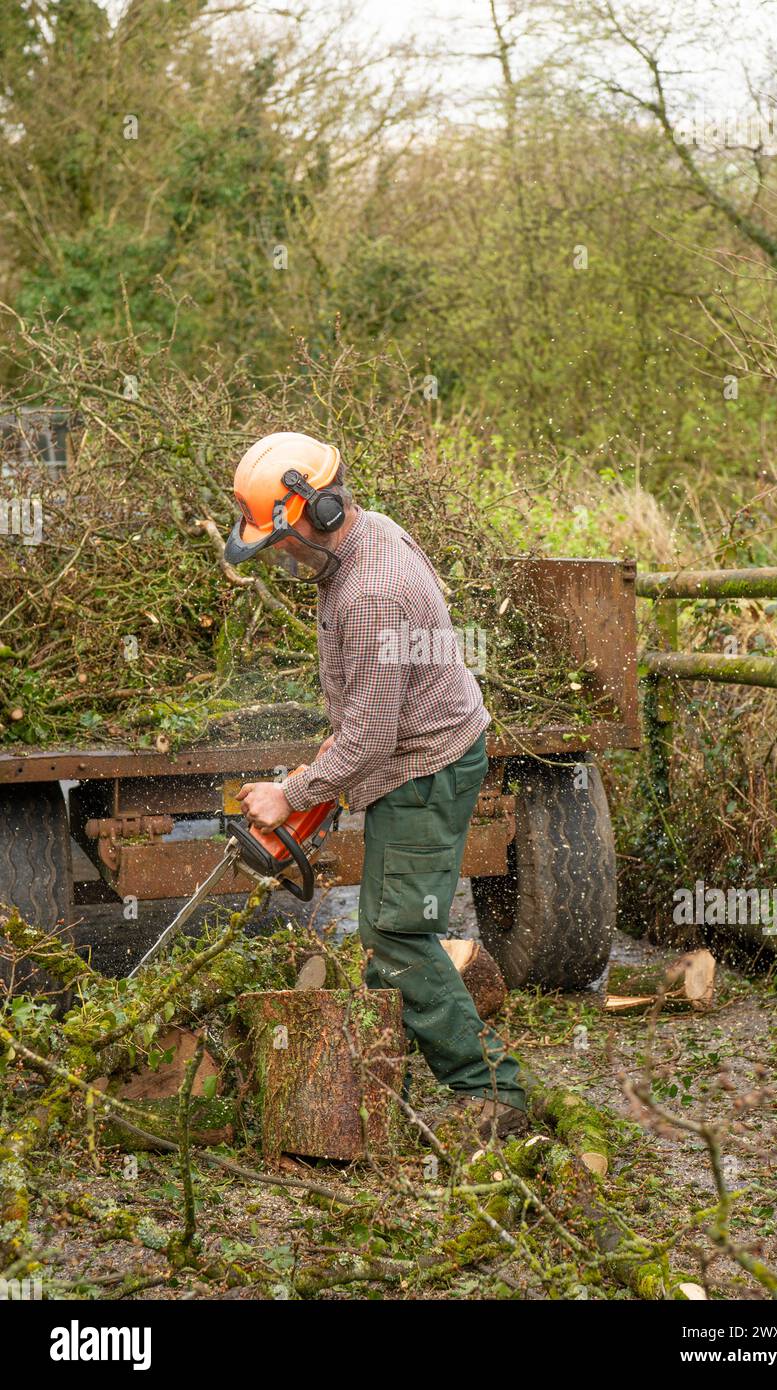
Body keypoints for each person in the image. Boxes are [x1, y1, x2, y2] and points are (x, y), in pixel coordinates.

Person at [225, 431, 528, 1141]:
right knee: (387, 927)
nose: (281, 553)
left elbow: (372, 738)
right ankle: (367, 1053)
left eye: (282, 538)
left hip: (423, 768)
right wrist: (324, 772)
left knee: (397, 932)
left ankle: (494, 1092)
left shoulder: (368, 591)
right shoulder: (371, 535)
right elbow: (366, 717)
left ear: (322, 510)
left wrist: (292, 795)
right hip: (412, 747)